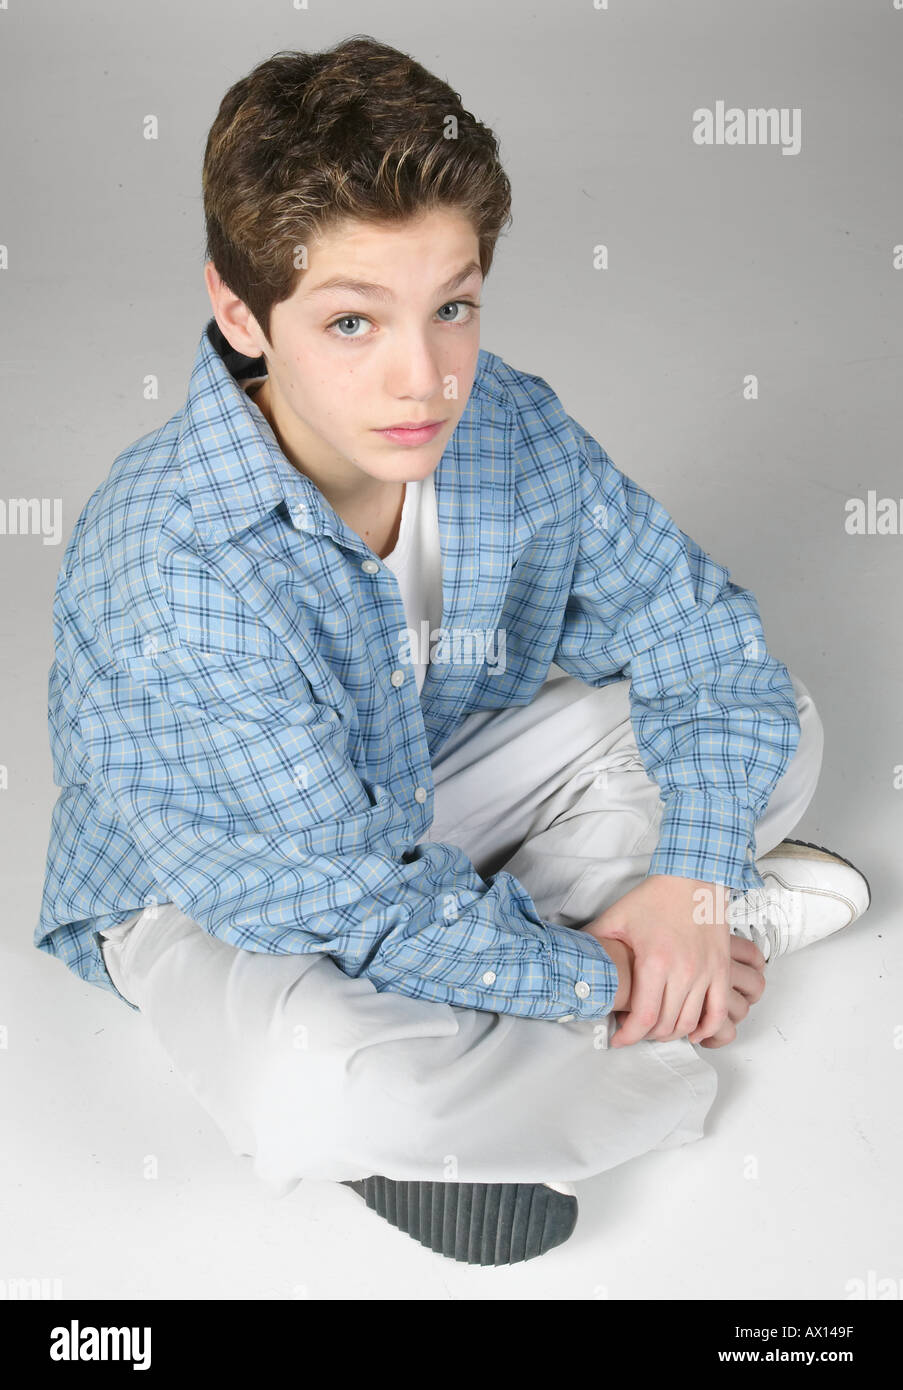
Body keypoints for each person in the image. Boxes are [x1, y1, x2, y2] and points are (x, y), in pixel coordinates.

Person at [35, 36, 870, 1267]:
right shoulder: (177, 569)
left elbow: (704, 641)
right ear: (239, 313)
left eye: (453, 308)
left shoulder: (507, 425)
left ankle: (638, 949)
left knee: (781, 717)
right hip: (225, 897)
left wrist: (686, 873)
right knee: (315, 1086)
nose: (422, 380)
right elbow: (345, 904)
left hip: (443, 783)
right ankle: (670, 1001)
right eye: (353, 321)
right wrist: (607, 974)